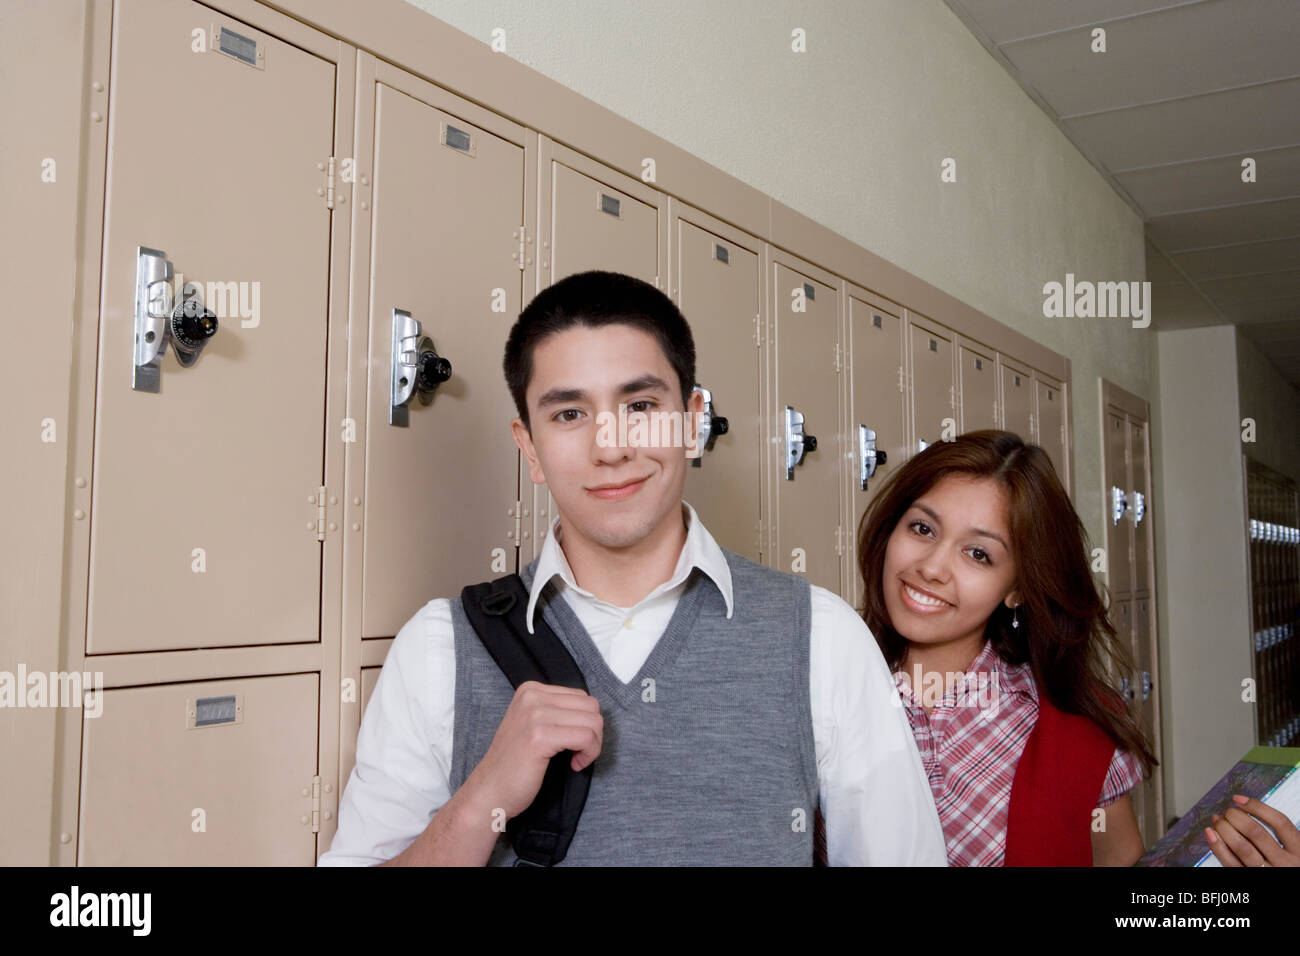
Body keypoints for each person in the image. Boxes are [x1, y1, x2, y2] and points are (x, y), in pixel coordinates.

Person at [319, 270, 945, 866]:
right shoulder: (439, 649)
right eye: (569, 414)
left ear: (693, 422)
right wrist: (484, 796)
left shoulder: (820, 635)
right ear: (530, 448)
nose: (611, 446)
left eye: (640, 405)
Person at [853, 429, 1157, 866]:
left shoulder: (1076, 735)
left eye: (978, 554)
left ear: (1016, 589)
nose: (932, 567)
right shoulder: (821, 687)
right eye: (922, 528)